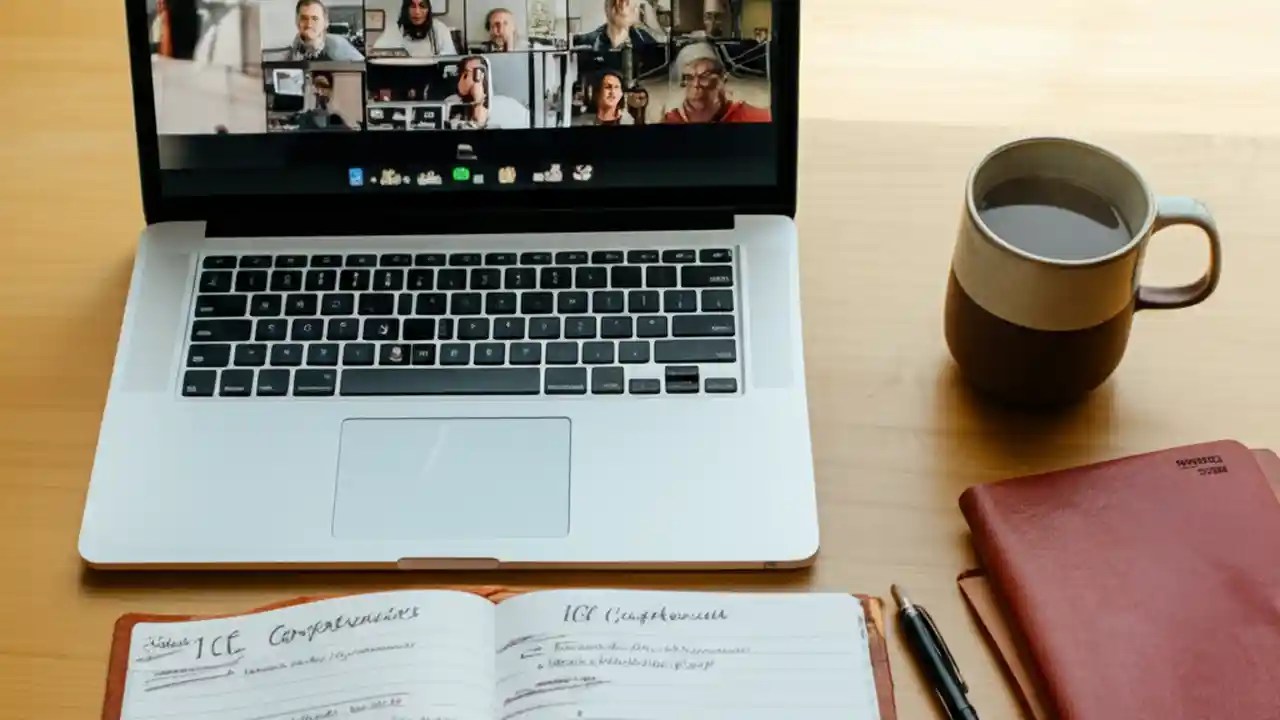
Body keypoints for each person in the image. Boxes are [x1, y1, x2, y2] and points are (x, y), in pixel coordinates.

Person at [662, 42, 770, 124]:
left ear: (722, 79)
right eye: (689, 77)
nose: (696, 84)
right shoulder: (671, 120)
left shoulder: (751, 117)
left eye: (705, 76)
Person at [444, 56, 530, 129]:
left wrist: (479, 104)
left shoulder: (509, 107)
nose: (476, 80)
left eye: (479, 73)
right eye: (466, 74)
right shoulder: (449, 104)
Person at [279, 0, 364, 61]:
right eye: (304, 18)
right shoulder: (296, 44)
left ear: (325, 23)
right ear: (297, 22)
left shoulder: (337, 45)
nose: (309, 24)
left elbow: (363, 70)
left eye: (315, 18)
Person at [372, 0, 457, 58]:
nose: (417, 12)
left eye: (422, 6)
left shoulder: (439, 29)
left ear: (428, 9)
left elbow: (450, 62)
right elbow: (376, 54)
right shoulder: (395, 30)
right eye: (412, 6)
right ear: (406, 9)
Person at [575, 0, 657, 51]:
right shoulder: (583, 43)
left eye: (626, 1)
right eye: (614, 1)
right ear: (606, 7)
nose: (620, 4)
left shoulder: (649, 44)